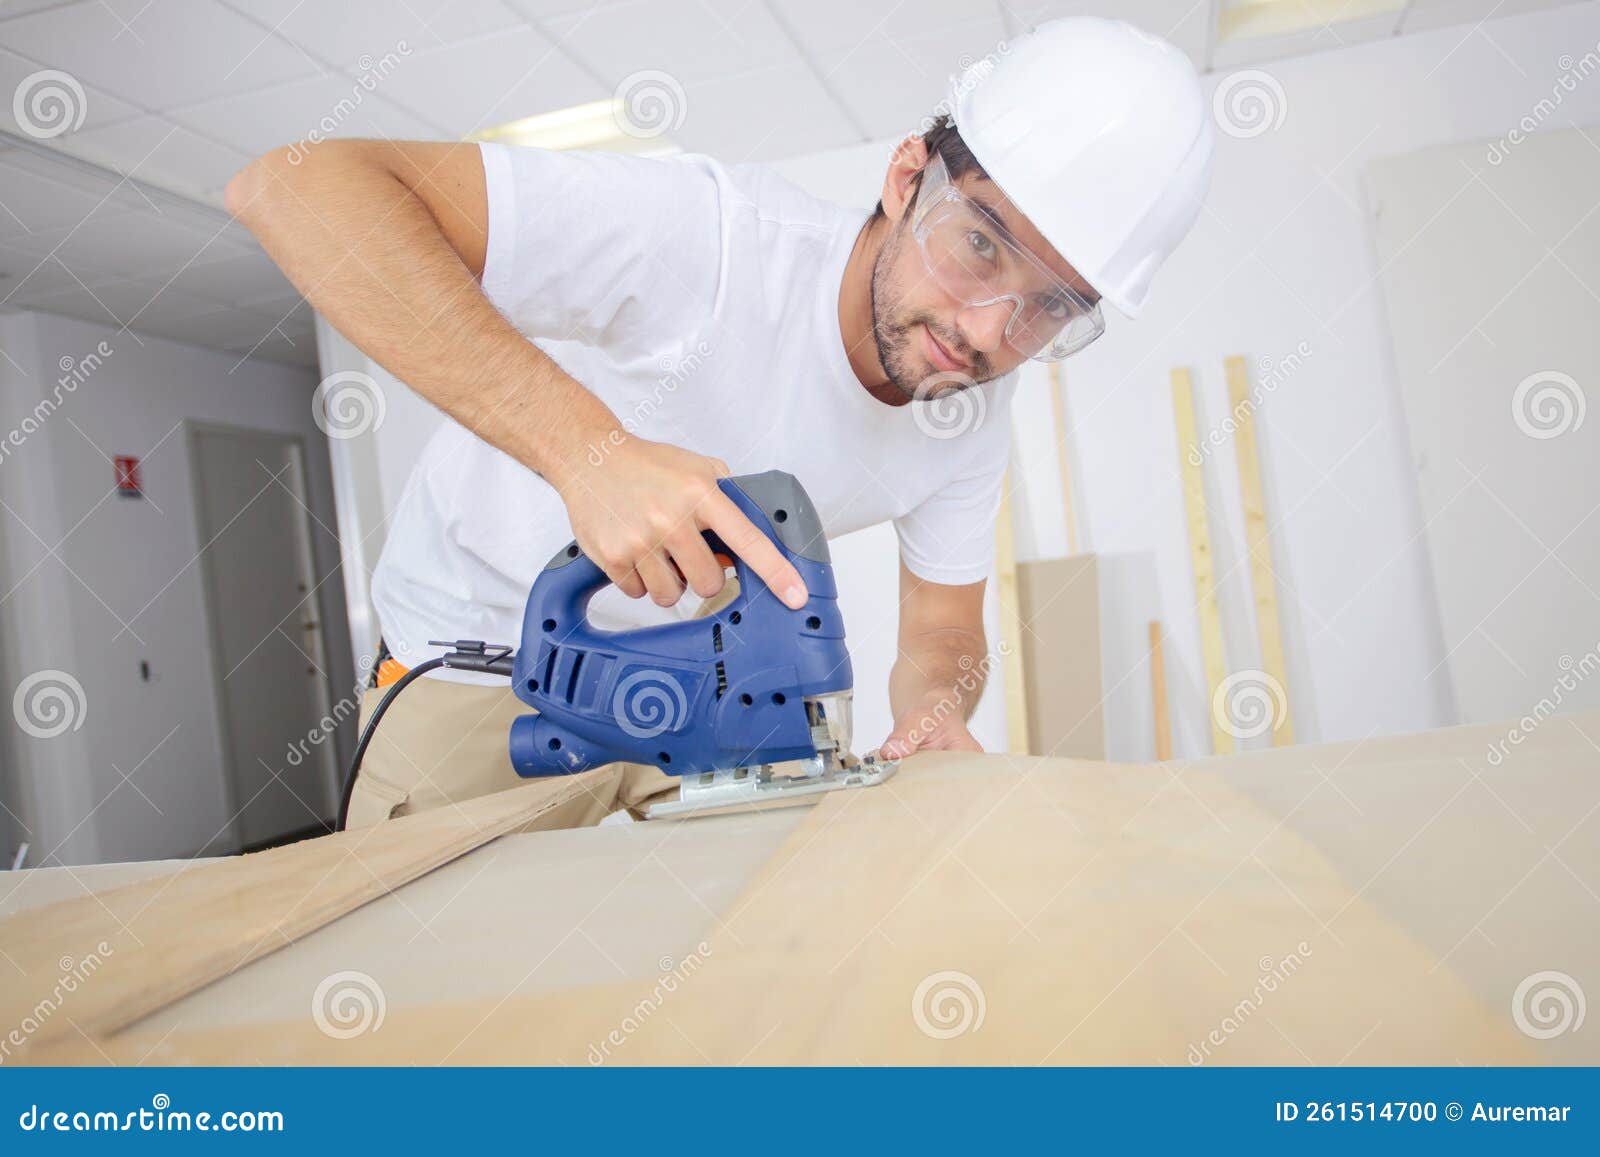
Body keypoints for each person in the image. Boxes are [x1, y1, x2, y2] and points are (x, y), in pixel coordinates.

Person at [227, 16, 1212, 827]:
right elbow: (295, 185)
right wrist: (590, 454)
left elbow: (946, 625)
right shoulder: (709, 241)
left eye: (1052, 304)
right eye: (980, 245)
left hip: (707, 692)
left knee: (741, 974)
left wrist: (935, 710)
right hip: (486, 670)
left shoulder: (971, 412)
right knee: (455, 1009)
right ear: (907, 177)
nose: (987, 330)